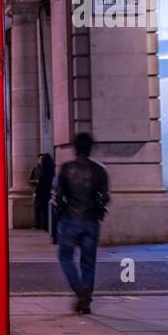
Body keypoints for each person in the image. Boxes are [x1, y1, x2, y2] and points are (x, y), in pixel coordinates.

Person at [53, 132, 110, 314]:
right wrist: (99, 213)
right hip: (91, 220)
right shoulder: (100, 170)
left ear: (75, 147)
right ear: (90, 147)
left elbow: (58, 196)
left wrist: (61, 213)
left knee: (65, 257)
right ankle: (85, 301)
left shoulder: (66, 168)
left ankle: (80, 290)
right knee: (88, 262)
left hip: (70, 219)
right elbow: (104, 197)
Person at [28, 152, 55, 232]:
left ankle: (41, 225)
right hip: (48, 192)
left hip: (42, 193)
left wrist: (36, 192)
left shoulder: (43, 170)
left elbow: (41, 183)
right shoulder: (52, 169)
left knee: (39, 209)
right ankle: (46, 226)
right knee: (45, 210)